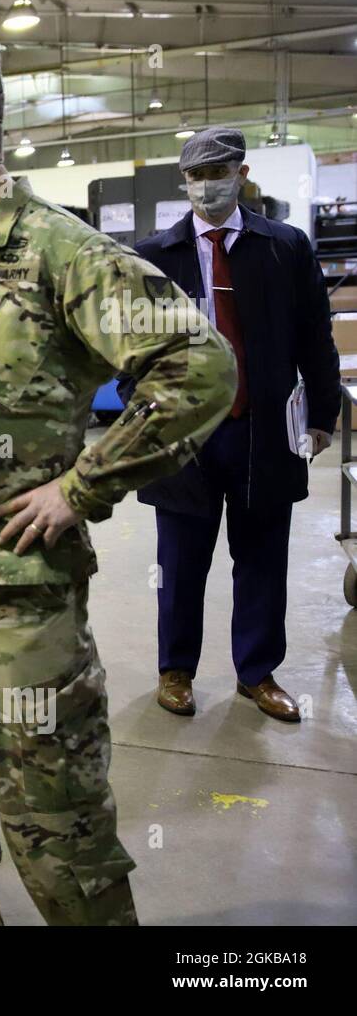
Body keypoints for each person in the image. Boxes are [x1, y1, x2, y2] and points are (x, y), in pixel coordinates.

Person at [0, 35, 237, 926]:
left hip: (14, 596)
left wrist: (84, 485)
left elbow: (197, 366)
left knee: (51, 804)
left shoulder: (57, 252)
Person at [129, 128, 341, 722]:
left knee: (263, 557)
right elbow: (127, 348)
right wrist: (145, 414)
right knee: (179, 563)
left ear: (241, 174)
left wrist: (322, 415)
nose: (206, 187)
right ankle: (175, 669)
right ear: (183, 182)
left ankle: (257, 672)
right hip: (186, 436)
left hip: (264, 431)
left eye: (217, 174)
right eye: (195, 177)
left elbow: (314, 337)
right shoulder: (153, 256)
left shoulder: (285, 248)